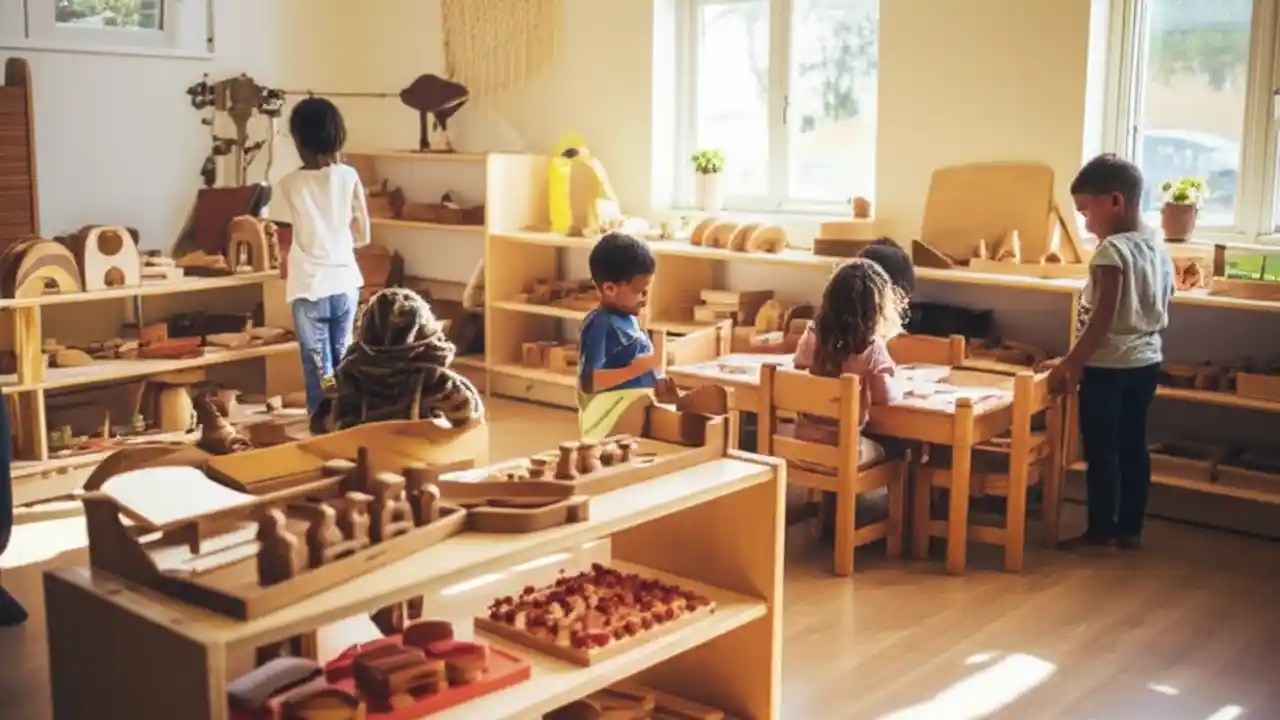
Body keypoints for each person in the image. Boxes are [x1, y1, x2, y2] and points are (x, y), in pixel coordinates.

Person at [1045, 154, 1173, 551]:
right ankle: (1130, 529)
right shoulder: (1156, 247)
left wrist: (1071, 363)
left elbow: (1102, 317)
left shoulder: (1110, 252)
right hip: (1147, 362)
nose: (1086, 224)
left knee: (1102, 451)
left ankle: (1100, 530)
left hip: (1108, 368)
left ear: (1115, 201)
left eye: (1086, 211)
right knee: (1134, 446)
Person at [275, 97, 370, 415]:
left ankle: (322, 418)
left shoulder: (289, 185)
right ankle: (346, 416)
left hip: (309, 286)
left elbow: (282, 239)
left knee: (319, 364)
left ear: (298, 140)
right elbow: (363, 234)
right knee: (343, 356)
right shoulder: (349, 176)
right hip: (345, 282)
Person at [312, 288, 483, 433]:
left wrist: (324, 382)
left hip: (360, 455)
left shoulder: (350, 372)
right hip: (415, 455)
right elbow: (468, 420)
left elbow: (326, 408)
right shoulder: (436, 380)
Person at [792, 258, 905, 452]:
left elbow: (798, 373)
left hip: (803, 443)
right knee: (898, 450)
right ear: (877, 309)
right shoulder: (871, 349)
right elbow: (885, 395)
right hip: (844, 448)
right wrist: (898, 386)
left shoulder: (813, 336)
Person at [577, 233, 660, 438]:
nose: (645, 299)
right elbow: (589, 382)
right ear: (610, 289)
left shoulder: (628, 317)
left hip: (638, 409)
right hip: (614, 417)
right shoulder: (601, 325)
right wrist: (635, 370)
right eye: (641, 292)